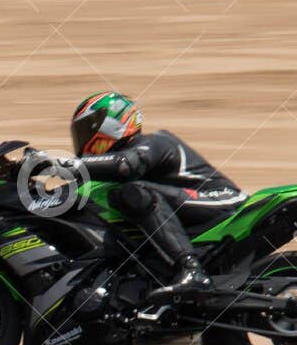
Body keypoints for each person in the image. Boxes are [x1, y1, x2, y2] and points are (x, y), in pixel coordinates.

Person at [66, 91, 246, 294]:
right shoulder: (111, 166)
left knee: (135, 192)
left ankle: (191, 269)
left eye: (85, 129)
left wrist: (62, 163)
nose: (82, 139)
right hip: (193, 211)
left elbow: (126, 166)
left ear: (111, 122)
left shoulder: (153, 142)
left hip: (221, 200)